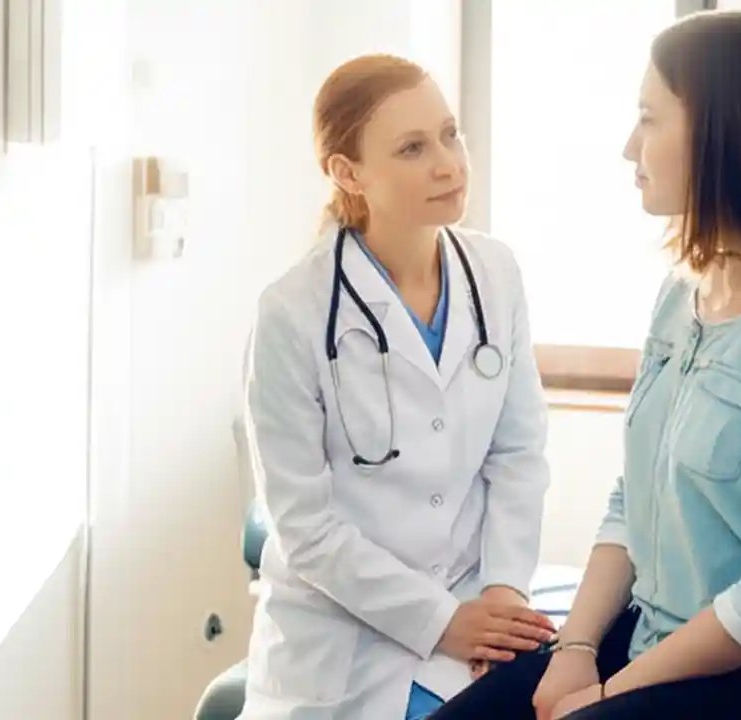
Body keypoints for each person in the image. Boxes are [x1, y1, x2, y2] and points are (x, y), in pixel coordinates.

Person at [430, 10, 741, 720]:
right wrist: (576, 652)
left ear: (725, 134)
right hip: (659, 641)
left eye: (649, 118)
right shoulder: (681, 297)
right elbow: (632, 501)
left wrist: (605, 695)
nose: (629, 147)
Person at [239, 54, 556, 719]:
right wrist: (441, 619)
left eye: (449, 134)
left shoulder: (495, 273)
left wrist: (502, 589)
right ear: (347, 173)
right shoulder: (294, 312)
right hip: (337, 652)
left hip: (475, 627)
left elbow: (518, 454)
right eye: (413, 148)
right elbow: (304, 527)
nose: (448, 163)